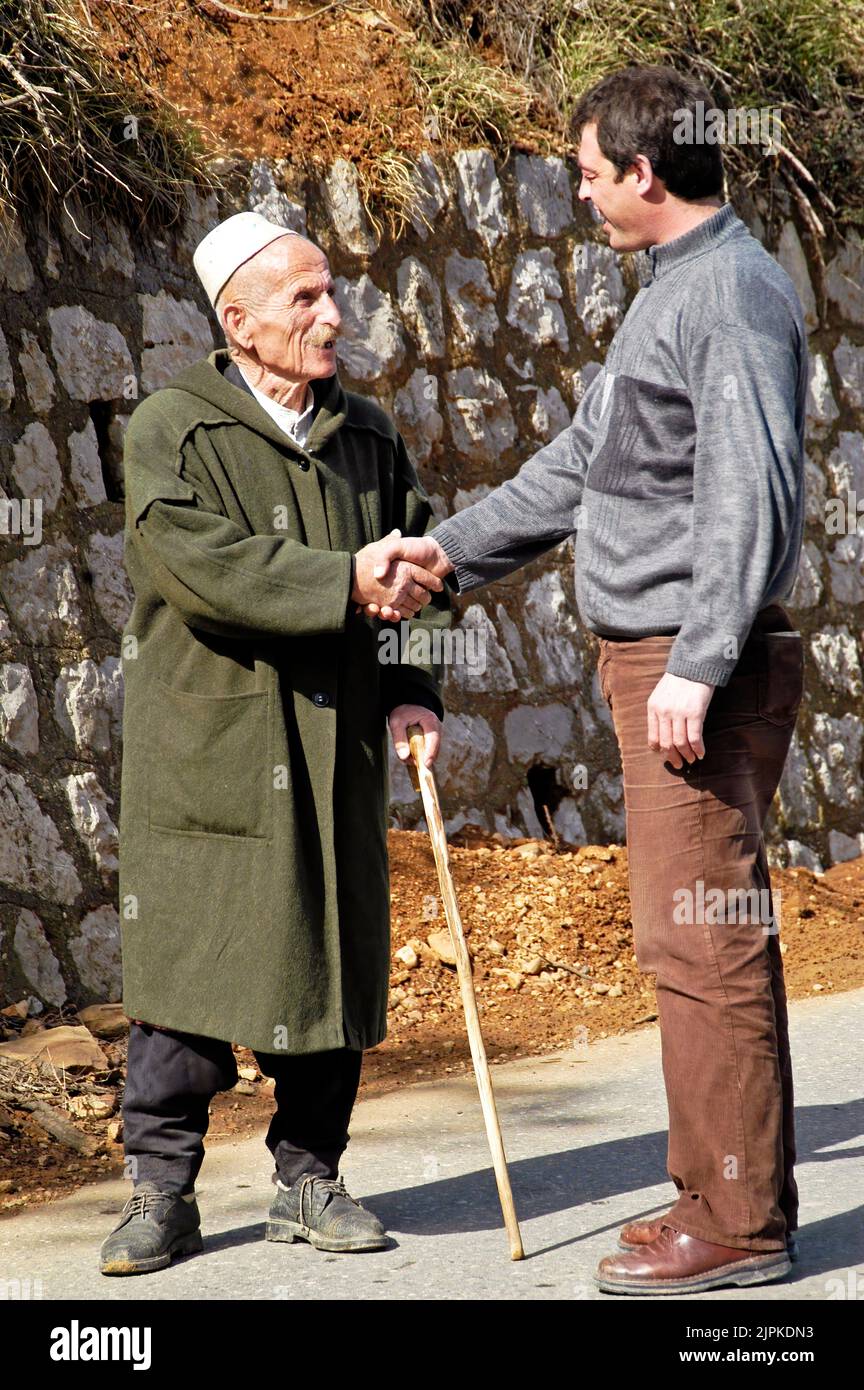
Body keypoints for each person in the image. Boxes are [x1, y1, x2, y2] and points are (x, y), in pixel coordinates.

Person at [373, 65, 807, 1295]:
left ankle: (734, 1224)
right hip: (669, 660)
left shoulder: (726, 293)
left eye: (585, 169)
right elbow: (584, 466)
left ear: (643, 173)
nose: (576, 188)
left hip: (689, 667)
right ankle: (731, 1199)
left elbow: (753, 492)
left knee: (702, 942)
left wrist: (699, 657)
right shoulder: (675, 289)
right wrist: (446, 552)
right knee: (696, 936)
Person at [101, 212, 450, 1275]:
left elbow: (428, 568)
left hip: (335, 743)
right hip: (210, 750)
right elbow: (198, 564)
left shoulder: (369, 437)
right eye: (304, 299)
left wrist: (414, 688)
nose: (333, 315)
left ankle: (311, 1176)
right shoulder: (173, 429)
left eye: (331, 292)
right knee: (190, 977)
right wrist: (344, 580)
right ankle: (161, 1192)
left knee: (329, 961)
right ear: (239, 321)